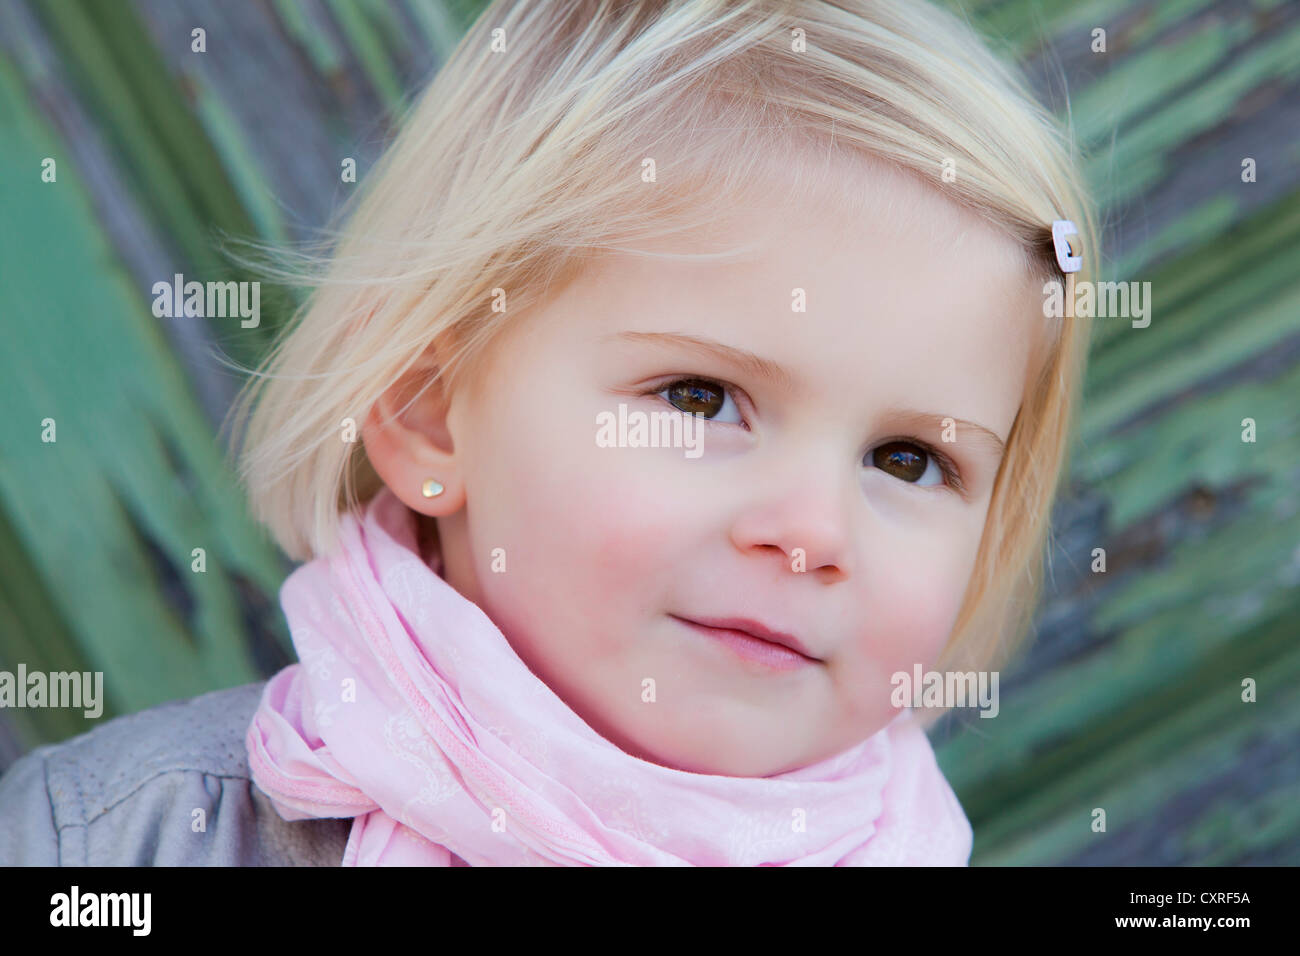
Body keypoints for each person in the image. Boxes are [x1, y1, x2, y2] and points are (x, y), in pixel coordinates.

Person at [0, 0, 1095, 866]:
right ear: (429, 414)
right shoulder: (112, 843)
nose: (812, 530)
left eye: (909, 459)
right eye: (701, 398)